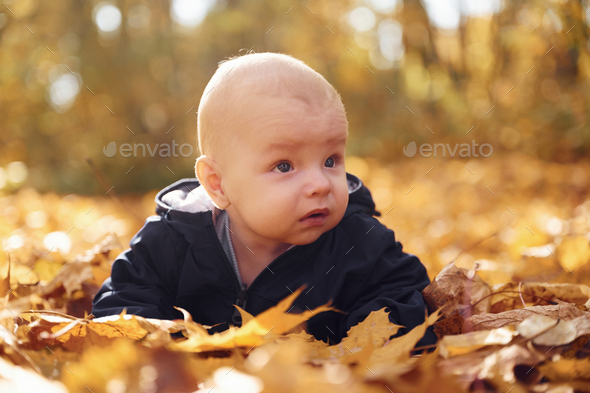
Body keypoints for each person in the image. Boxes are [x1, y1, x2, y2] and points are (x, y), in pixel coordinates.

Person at [92, 52, 437, 347]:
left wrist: (354, 350)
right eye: (284, 166)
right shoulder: (168, 244)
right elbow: (123, 309)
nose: (320, 184)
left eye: (331, 160)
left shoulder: (359, 245)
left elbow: (404, 300)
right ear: (218, 184)